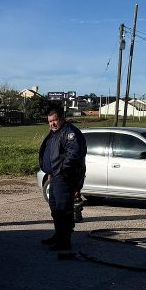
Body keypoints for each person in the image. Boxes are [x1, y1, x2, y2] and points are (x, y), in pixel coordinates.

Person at [38, 105, 87, 250]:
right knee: (55, 208)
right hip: (55, 176)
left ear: (62, 119)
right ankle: (58, 235)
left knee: (63, 208)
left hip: (64, 177)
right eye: (50, 121)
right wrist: (50, 172)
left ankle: (65, 241)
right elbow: (53, 155)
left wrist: (61, 171)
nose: (52, 124)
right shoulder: (55, 133)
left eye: (55, 120)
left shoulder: (70, 133)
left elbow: (74, 154)